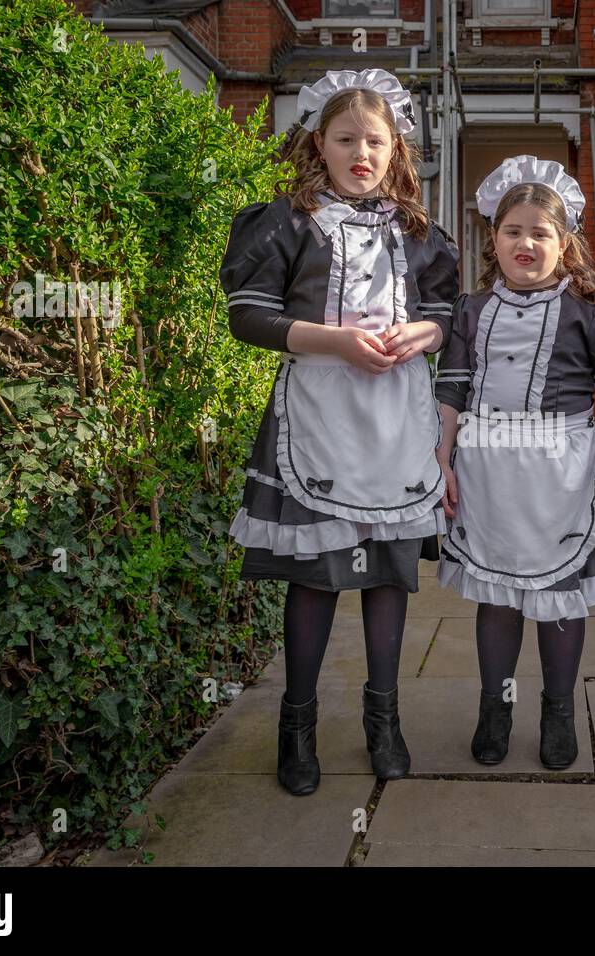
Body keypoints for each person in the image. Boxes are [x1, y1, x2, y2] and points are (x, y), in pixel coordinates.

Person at [219, 69, 459, 796]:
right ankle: (297, 728)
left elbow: (449, 313)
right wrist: (337, 343)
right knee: (317, 577)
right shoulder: (286, 222)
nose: (361, 151)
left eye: (375, 141)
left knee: (388, 574)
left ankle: (382, 723)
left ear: (396, 150)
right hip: (317, 414)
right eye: (345, 138)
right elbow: (246, 314)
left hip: (397, 419)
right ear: (317, 143)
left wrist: (421, 332)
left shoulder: (419, 232)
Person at [433, 156, 595, 769]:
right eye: (512, 231)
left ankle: (557, 710)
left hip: (562, 468)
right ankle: (494, 709)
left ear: (566, 242)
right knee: (496, 598)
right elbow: (451, 389)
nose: (526, 243)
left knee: (558, 597)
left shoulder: (592, 305)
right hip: (486, 472)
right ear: (493, 240)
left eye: (541, 233)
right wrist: (440, 460)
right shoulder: (469, 310)